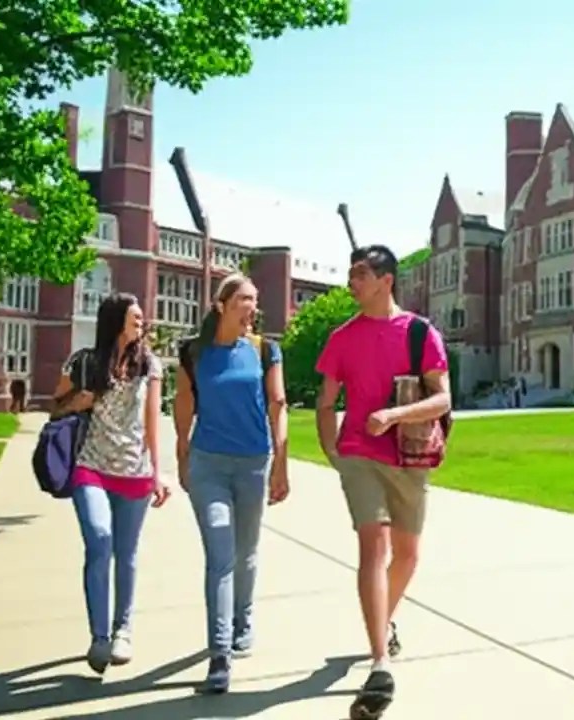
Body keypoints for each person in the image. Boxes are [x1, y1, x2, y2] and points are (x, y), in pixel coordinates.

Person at [315, 244, 451, 718]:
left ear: (386, 280)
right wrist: (335, 454)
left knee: (408, 554)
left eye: (360, 274)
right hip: (359, 453)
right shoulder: (341, 338)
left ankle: (382, 621)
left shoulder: (420, 333)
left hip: (410, 455)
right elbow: (326, 402)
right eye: (351, 273)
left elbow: (442, 400)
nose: (351, 282)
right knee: (373, 545)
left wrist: (394, 415)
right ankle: (379, 663)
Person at [173, 273, 290, 694]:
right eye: (244, 299)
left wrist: (281, 464)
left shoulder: (264, 350)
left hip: (254, 464)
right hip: (208, 466)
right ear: (220, 305)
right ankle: (219, 654)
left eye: (255, 300)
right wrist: (182, 454)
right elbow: (183, 403)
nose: (252, 307)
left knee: (246, 552)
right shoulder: (193, 353)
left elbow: (278, 404)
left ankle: (243, 618)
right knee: (220, 553)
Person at [49, 292, 171, 675]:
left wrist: (158, 472)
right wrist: (77, 402)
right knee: (100, 541)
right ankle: (99, 637)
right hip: (91, 466)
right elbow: (54, 406)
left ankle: (123, 630)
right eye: (135, 317)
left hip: (135, 471)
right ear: (117, 320)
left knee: (126, 553)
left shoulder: (149, 364)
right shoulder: (83, 361)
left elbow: (153, 421)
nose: (142, 322)